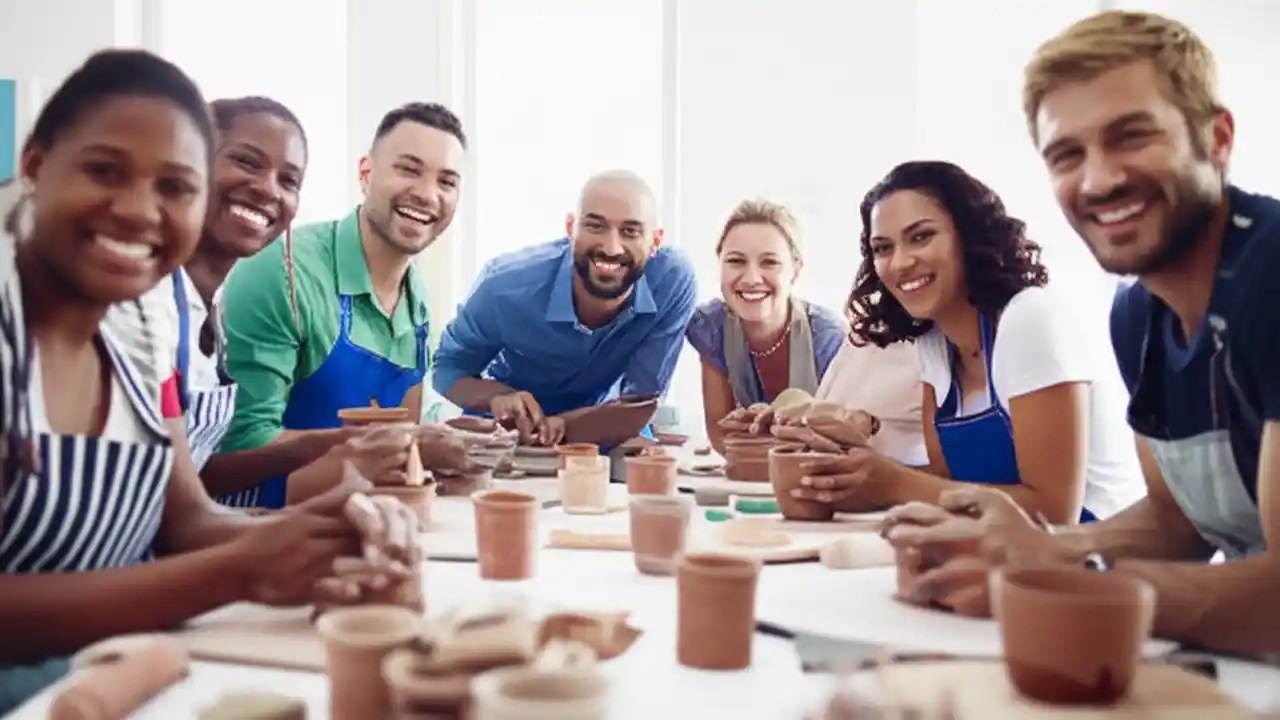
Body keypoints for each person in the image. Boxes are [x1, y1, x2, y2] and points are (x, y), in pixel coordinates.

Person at [0, 50, 410, 711]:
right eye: (105, 171)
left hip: (124, 667)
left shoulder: (141, 325)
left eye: (174, 188)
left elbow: (185, 518)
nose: (139, 210)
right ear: (37, 165)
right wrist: (238, 570)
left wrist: (329, 528)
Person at [883, 11, 1280, 659]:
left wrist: (1062, 576)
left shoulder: (1271, 275)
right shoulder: (1137, 315)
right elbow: (1177, 525)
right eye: (1067, 155)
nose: (1098, 180)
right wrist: (1027, 549)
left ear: (1218, 138)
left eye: (1131, 137)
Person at [798, 161, 1142, 524]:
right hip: (1008, 554)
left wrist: (892, 482)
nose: (899, 263)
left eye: (921, 236)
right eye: (882, 248)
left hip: (1093, 558)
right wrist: (852, 476)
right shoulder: (934, 341)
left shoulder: (1030, 319)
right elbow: (950, 484)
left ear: (969, 235)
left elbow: (1056, 511)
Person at [104, 96, 355, 507]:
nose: (267, 189)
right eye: (247, 162)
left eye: (289, 180)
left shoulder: (208, 313)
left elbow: (191, 476)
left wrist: (337, 444)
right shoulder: (141, 310)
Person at [219, 102, 470, 508]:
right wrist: (405, 448)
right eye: (408, 169)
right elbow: (243, 446)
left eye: (447, 181)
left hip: (361, 517)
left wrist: (457, 438)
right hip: (260, 525)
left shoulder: (416, 296)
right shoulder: (283, 272)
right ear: (366, 173)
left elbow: (408, 426)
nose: (427, 194)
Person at [432, 170, 697, 448]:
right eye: (595, 226)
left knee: (646, 465)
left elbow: (640, 403)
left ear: (655, 241)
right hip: (507, 432)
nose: (611, 247)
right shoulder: (504, 286)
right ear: (571, 227)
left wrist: (563, 426)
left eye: (630, 231)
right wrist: (497, 396)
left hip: (602, 426)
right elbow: (446, 370)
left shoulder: (672, 280)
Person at [684, 199, 847, 454]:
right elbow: (722, 440)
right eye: (736, 261)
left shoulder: (828, 337)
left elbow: (840, 442)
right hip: (749, 479)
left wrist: (756, 433)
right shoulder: (711, 327)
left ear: (796, 269)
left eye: (769, 262)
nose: (751, 279)